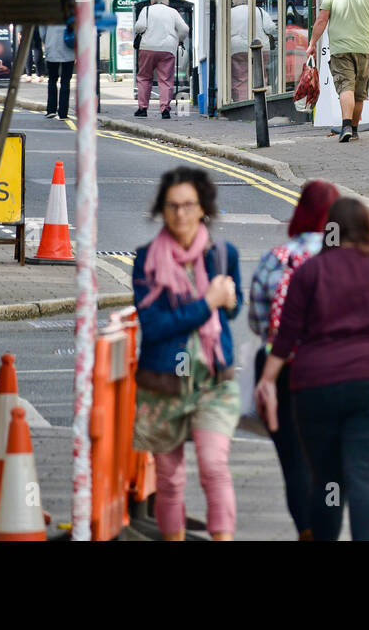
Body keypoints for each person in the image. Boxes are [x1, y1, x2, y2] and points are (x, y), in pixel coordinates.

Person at [255, 198, 369, 541]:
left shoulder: (310, 272)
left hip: (317, 386)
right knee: (365, 476)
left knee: (327, 479)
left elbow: (286, 336)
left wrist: (268, 379)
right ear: (367, 228)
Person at [132, 167, 241, 541]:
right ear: (163, 210)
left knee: (214, 466)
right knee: (170, 479)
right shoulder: (147, 260)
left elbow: (231, 312)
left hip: (213, 381)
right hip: (162, 384)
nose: (180, 214)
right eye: (172, 206)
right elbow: (156, 326)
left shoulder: (224, 255)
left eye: (188, 205)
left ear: (203, 209)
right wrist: (207, 302)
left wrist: (228, 300)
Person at [248, 179, 342, 541]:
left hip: (282, 368)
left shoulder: (276, 259)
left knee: (294, 461)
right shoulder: (347, 261)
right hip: (333, 372)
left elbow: (258, 321)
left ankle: (306, 532)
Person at [306, 0, 369, 142]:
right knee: (359, 93)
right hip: (364, 48)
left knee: (345, 87)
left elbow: (321, 20)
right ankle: (355, 130)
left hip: (340, 48)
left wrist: (312, 44)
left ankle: (346, 125)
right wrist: (363, 30)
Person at [133, 0, 188, 120]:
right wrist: (178, 39)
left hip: (148, 47)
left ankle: (142, 108)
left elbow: (139, 27)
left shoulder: (146, 10)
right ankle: (165, 110)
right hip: (167, 49)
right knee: (166, 79)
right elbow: (184, 29)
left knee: (144, 77)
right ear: (166, 0)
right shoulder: (172, 12)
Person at [229, 0, 277, 102]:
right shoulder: (260, 11)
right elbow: (270, 28)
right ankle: (260, 102)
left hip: (237, 49)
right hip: (260, 48)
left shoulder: (230, 13)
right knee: (259, 77)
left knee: (240, 78)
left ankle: (241, 102)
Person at [39, 23, 75, 120]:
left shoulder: (49, 9)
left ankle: (51, 110)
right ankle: (63, 113)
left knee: (52, 80)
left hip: (52, 46)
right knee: (65, 82)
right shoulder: (72, 10)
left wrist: (47, 41)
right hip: (69, 48)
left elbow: (42, 31)